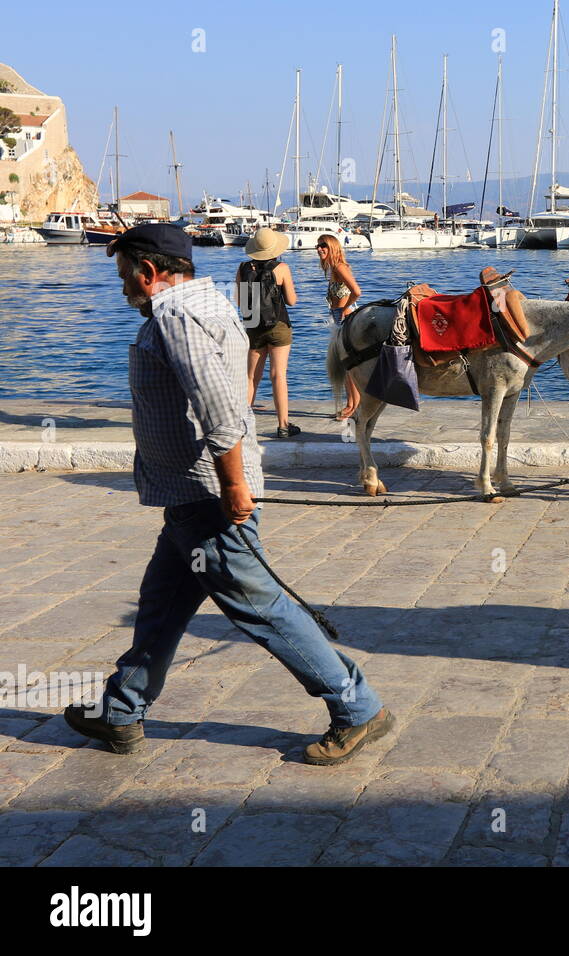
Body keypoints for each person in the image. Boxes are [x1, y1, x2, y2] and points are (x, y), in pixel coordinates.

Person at [63, 223, 392, 766]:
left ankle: (358, 708)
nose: (123, 286)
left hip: (209, 498)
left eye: (126, 276)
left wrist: (234, 485)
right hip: (189, 500)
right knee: (161, 607)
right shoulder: (206, 302)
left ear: (149, 274)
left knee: (261, 610)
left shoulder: (178, 316)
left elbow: (218, 407)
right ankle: (121, 711)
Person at [237, 227, 300, 438]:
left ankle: (243, 425)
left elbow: (240, 302)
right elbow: (291, 301)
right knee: (278, 375)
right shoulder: (281, 268)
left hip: (253, 326)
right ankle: (283, 426)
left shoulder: (243, 268)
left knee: (250, 377)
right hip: (278, 326)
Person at [316, 234, 362, 419]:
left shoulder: (340, 268)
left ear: (333, 247)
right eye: (318, 246)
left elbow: (357, 291)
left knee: (348, 365)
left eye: (323, 246)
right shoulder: (334, 268)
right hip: (337, 316)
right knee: (344, 365)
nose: (319, 249)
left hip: (345, 317)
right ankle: (351, 405)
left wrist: (345, 308)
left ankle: (354, 406)